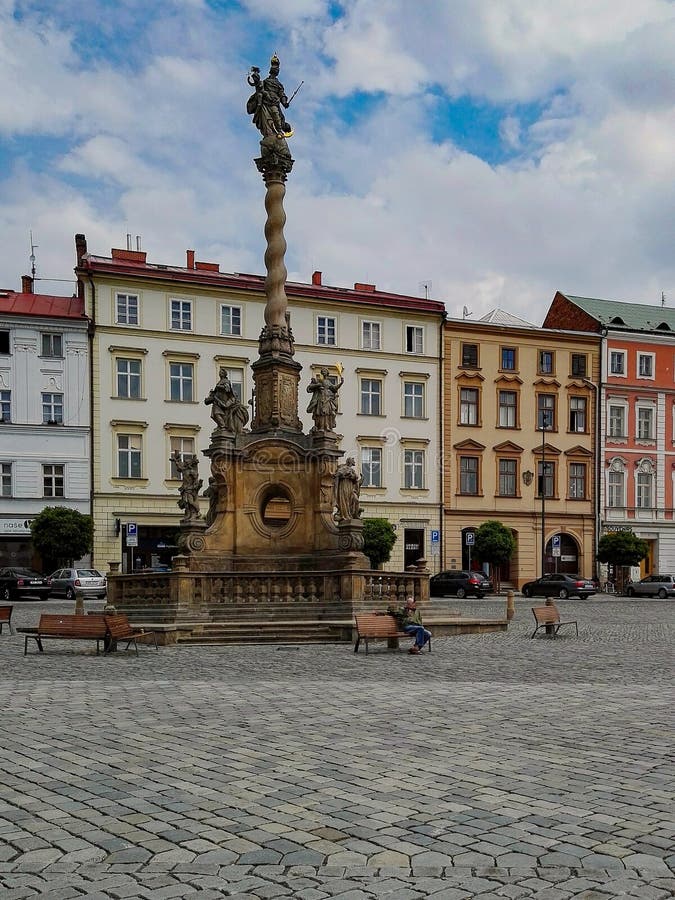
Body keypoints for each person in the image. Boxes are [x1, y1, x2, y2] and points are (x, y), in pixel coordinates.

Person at [247, 54, 292, 139]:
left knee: (276, 115)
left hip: (274, 103)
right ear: (271, 71)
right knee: (266, 120)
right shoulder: (265, 81)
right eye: (274, 69)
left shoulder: (279, 85)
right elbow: (259, 88)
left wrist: (285, 103)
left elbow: (282, 94)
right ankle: (270, 133)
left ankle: (279, 131)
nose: (275, 70)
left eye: (276, 69)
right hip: (265, 103)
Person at [205, 367, 249, 433]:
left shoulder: (226, 381)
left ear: (224, 374)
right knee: (215, 414)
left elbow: (227, 389)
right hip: (217, 401)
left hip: (223, 400)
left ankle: (223, 426)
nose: (220, 373)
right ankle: (222, 426)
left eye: (222, 372)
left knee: (217, 413)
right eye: (220, 372)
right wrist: (211, 395)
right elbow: (215, 391)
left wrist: (219, 387)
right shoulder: (219, 382)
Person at [334, 457, 362, 521]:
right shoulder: (343, 468)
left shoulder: (352, 470)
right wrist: (345, 475)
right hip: (344, 486)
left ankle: (355, 515)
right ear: (350, 461)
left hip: (351, 488)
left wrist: (352, 476)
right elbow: (337, 475)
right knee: (345, 501)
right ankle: (345, 515)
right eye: (353, 461)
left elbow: (355, 479)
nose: (354, 462)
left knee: (356, 500)